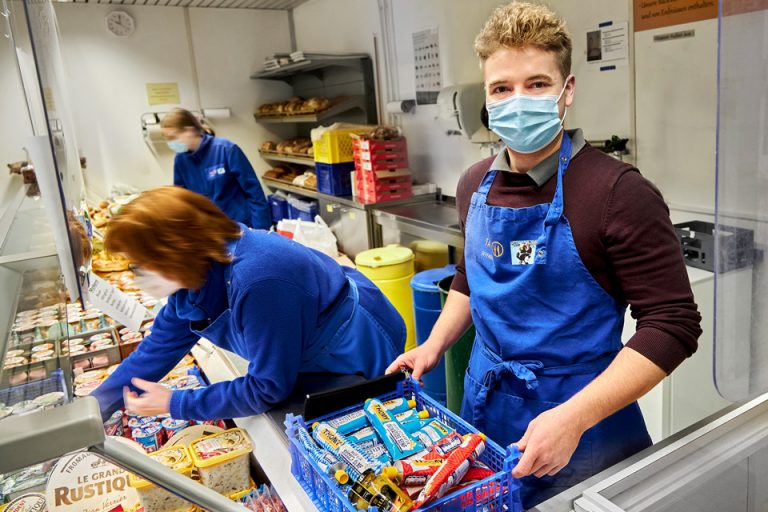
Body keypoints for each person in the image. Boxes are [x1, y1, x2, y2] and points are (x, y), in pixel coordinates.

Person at [387, 2, 702, 507]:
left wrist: (574, 417)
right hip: (485, 404)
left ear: (567, 90)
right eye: (501, 88)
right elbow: (470, 279)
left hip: (582, 416)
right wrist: (434, 345)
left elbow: (672, 325)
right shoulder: (474, 185)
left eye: (536, 84)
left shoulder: (616, 192)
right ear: (487, 100)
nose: (517, 100)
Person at [93, 186, 405, 421]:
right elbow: (158, 347)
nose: (137, 276)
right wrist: (92, 410)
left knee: (378, 415)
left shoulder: (259, 280)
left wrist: (176, 403)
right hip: (309, 344)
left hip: (353, 342)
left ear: (172, 253)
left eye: (139, 264)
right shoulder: (194, 274)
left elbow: (267, 388)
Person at [161, 108, 270, 230]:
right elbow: (182, 200)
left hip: (239, 227)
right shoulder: (180, 160)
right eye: (166, 138)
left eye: (172, 137)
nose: (169, 143)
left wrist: (261, 230)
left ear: (189, 130)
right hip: (208, 231)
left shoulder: (226, 149)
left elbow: (254, 192)